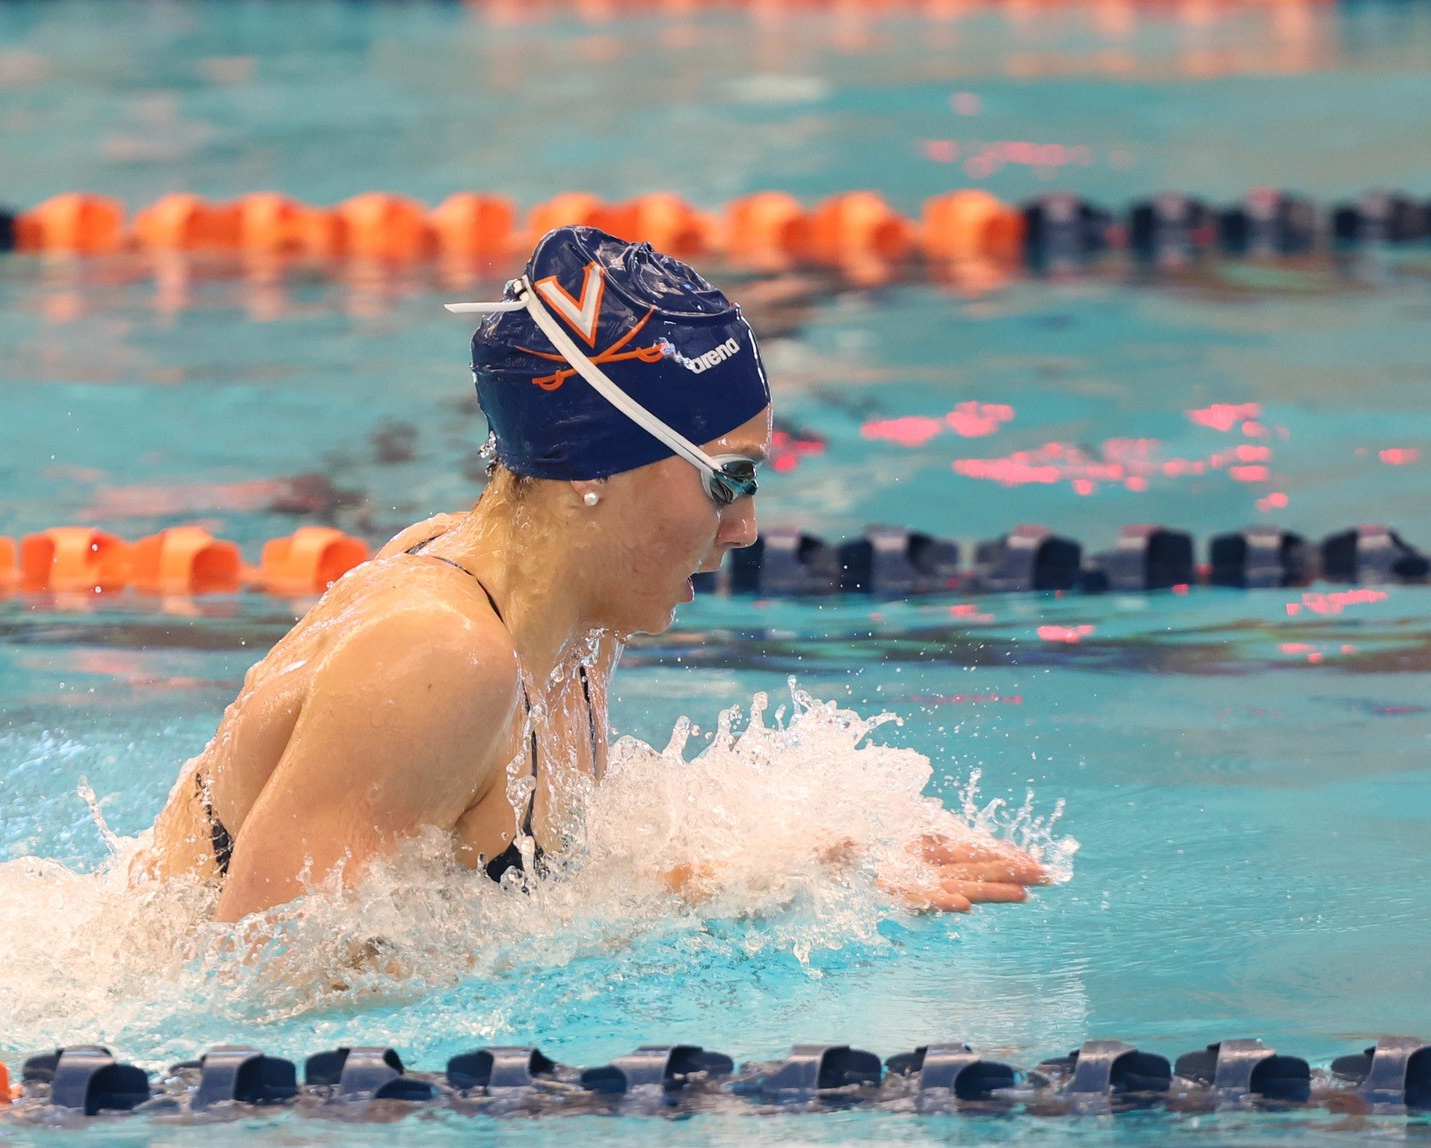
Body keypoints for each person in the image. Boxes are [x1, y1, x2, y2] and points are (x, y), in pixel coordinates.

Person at [143, 226, 1046, 922]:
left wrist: (813, 869)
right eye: (726, 478)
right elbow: (265, 992)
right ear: (594, 473)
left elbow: (543, 896)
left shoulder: (576, 620)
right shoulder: (439, 655)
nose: (745, 527)